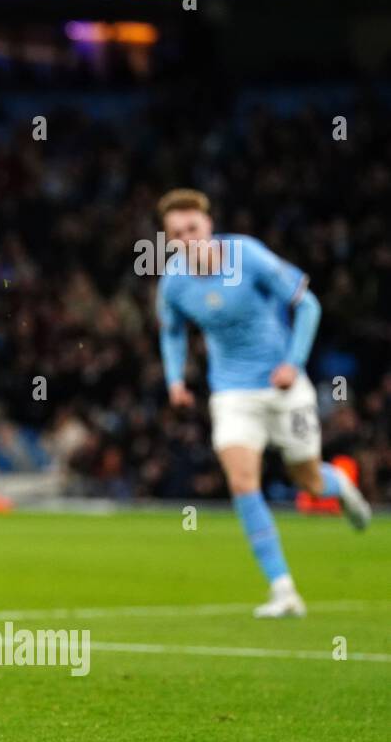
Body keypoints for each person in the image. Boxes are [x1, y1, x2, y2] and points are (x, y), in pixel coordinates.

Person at [155, 188, 370, 618]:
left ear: (209, 225)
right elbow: (173, 330)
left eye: (192, 228)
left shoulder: (248, 256)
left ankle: (340, 486)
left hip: (283, 388)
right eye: (176, 233)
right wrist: (175, 379)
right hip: (232, 392)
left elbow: (308, 304)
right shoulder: (174, 281)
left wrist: (293, 363)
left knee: (308, 481)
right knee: (242, 482)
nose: (186, 238)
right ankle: (283, 589)